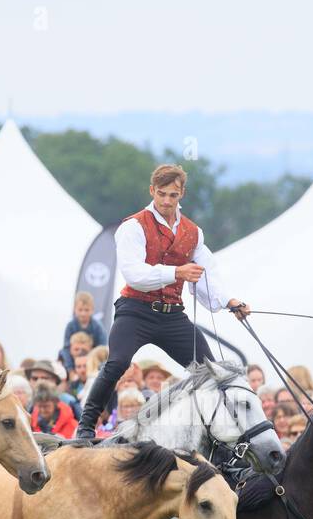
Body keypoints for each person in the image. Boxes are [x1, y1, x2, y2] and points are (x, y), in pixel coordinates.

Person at [75, 164, 250, 438]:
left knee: (210, 373)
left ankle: (221, 434)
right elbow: (134, 275)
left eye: (173, 195)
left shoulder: (193, 233)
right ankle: (85, 426)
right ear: (151, 191)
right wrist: (177, 272)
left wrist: (231, 302)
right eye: (162, 194)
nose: (167, 201)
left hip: (172, 315)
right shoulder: (133, 226)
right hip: (135, 311)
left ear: (182, 194)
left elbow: (207, 276)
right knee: (118, 362)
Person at [61, 292, 108, 371]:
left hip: (92, 363)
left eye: (86, 310)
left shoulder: (98, 327)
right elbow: (66, 349)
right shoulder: (70, 326)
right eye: (80, 310)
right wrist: (70, 370)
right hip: (73, 363)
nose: (83, 313)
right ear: (75, 309)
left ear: (92, 310)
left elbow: (102, 349)